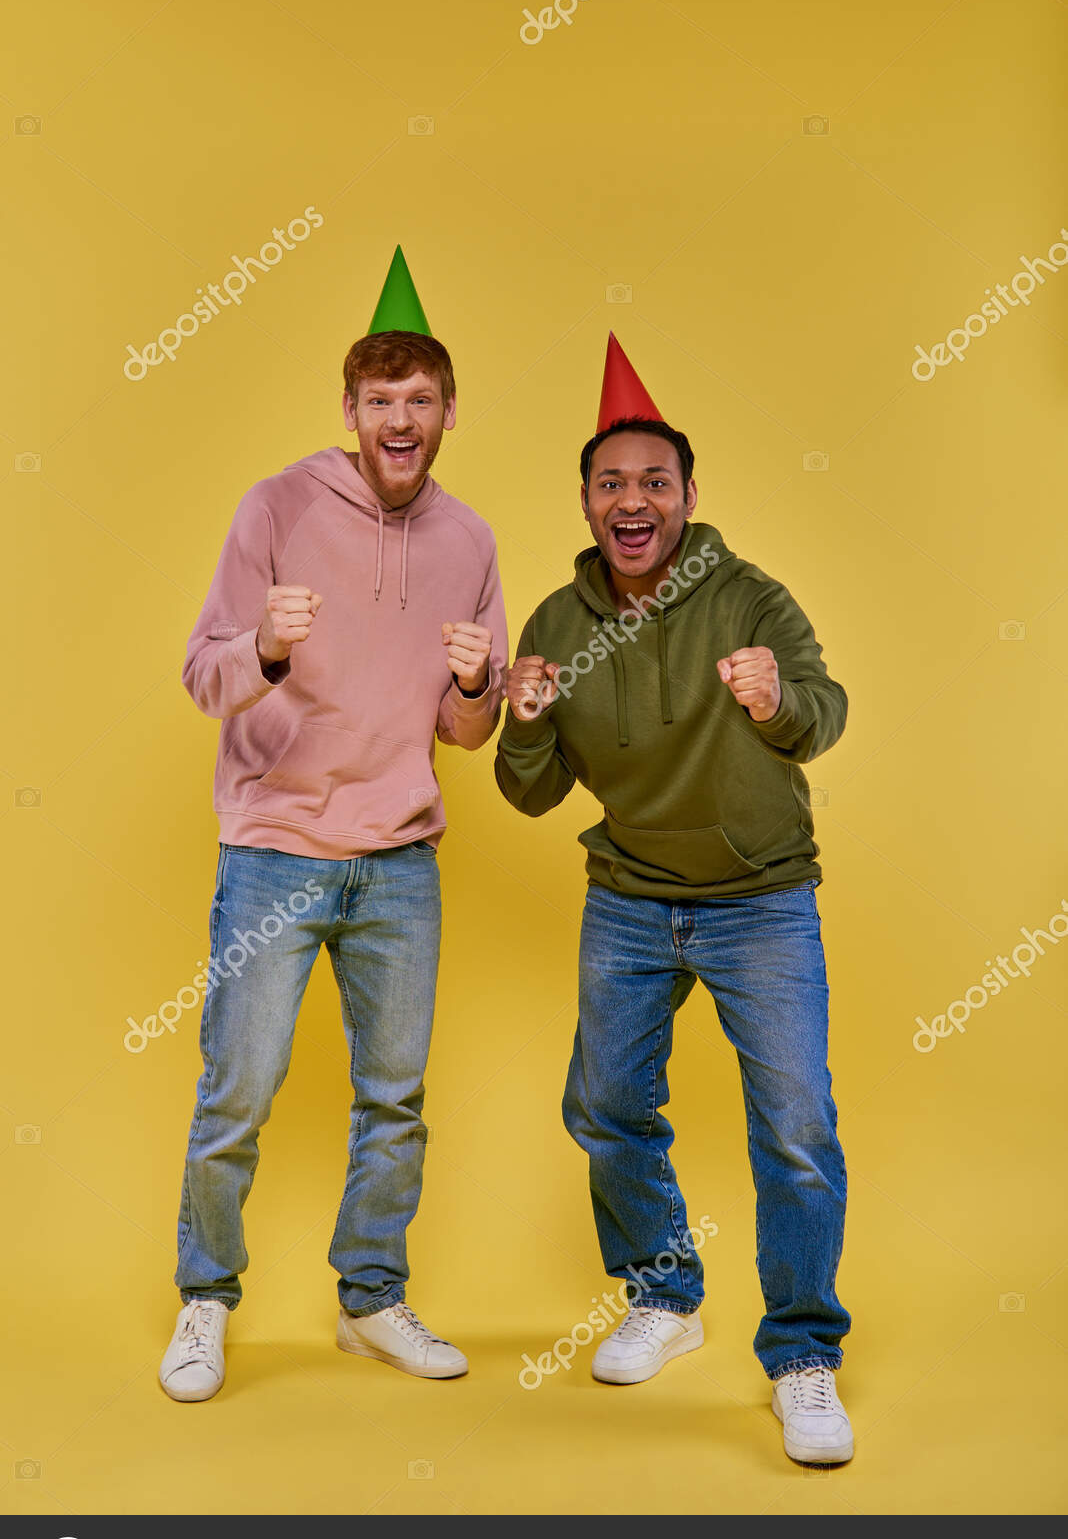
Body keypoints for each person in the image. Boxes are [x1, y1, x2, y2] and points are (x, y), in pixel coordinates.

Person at [494, 334, 854, 1464]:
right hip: (631, 897)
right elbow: (531, 791)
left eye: (655, 480)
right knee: (605, 1106)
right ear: (590, 503)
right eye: (612, 482)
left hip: (761, 898)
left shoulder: (749, 594)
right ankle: (667, 1295)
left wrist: (776, 696)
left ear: (688, 498)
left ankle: (803, 1355)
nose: (632, 498)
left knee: (795, 1129)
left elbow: (827, 708)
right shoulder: (556, 620)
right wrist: (528, 717)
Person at [159, 247, 507, 1402]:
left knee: (396, 1097)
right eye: (379, 400)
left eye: (419, 401)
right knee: (238, 1089)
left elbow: (469, 735)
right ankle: (206, 1299)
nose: (398, 419)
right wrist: (262, 641)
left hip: (401, 858)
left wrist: (473, 685)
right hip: (273, 852)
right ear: (348, 409)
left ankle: (370, 1298)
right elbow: (205, 678)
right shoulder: (277, 505)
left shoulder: (471, 541)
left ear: (448, 412)